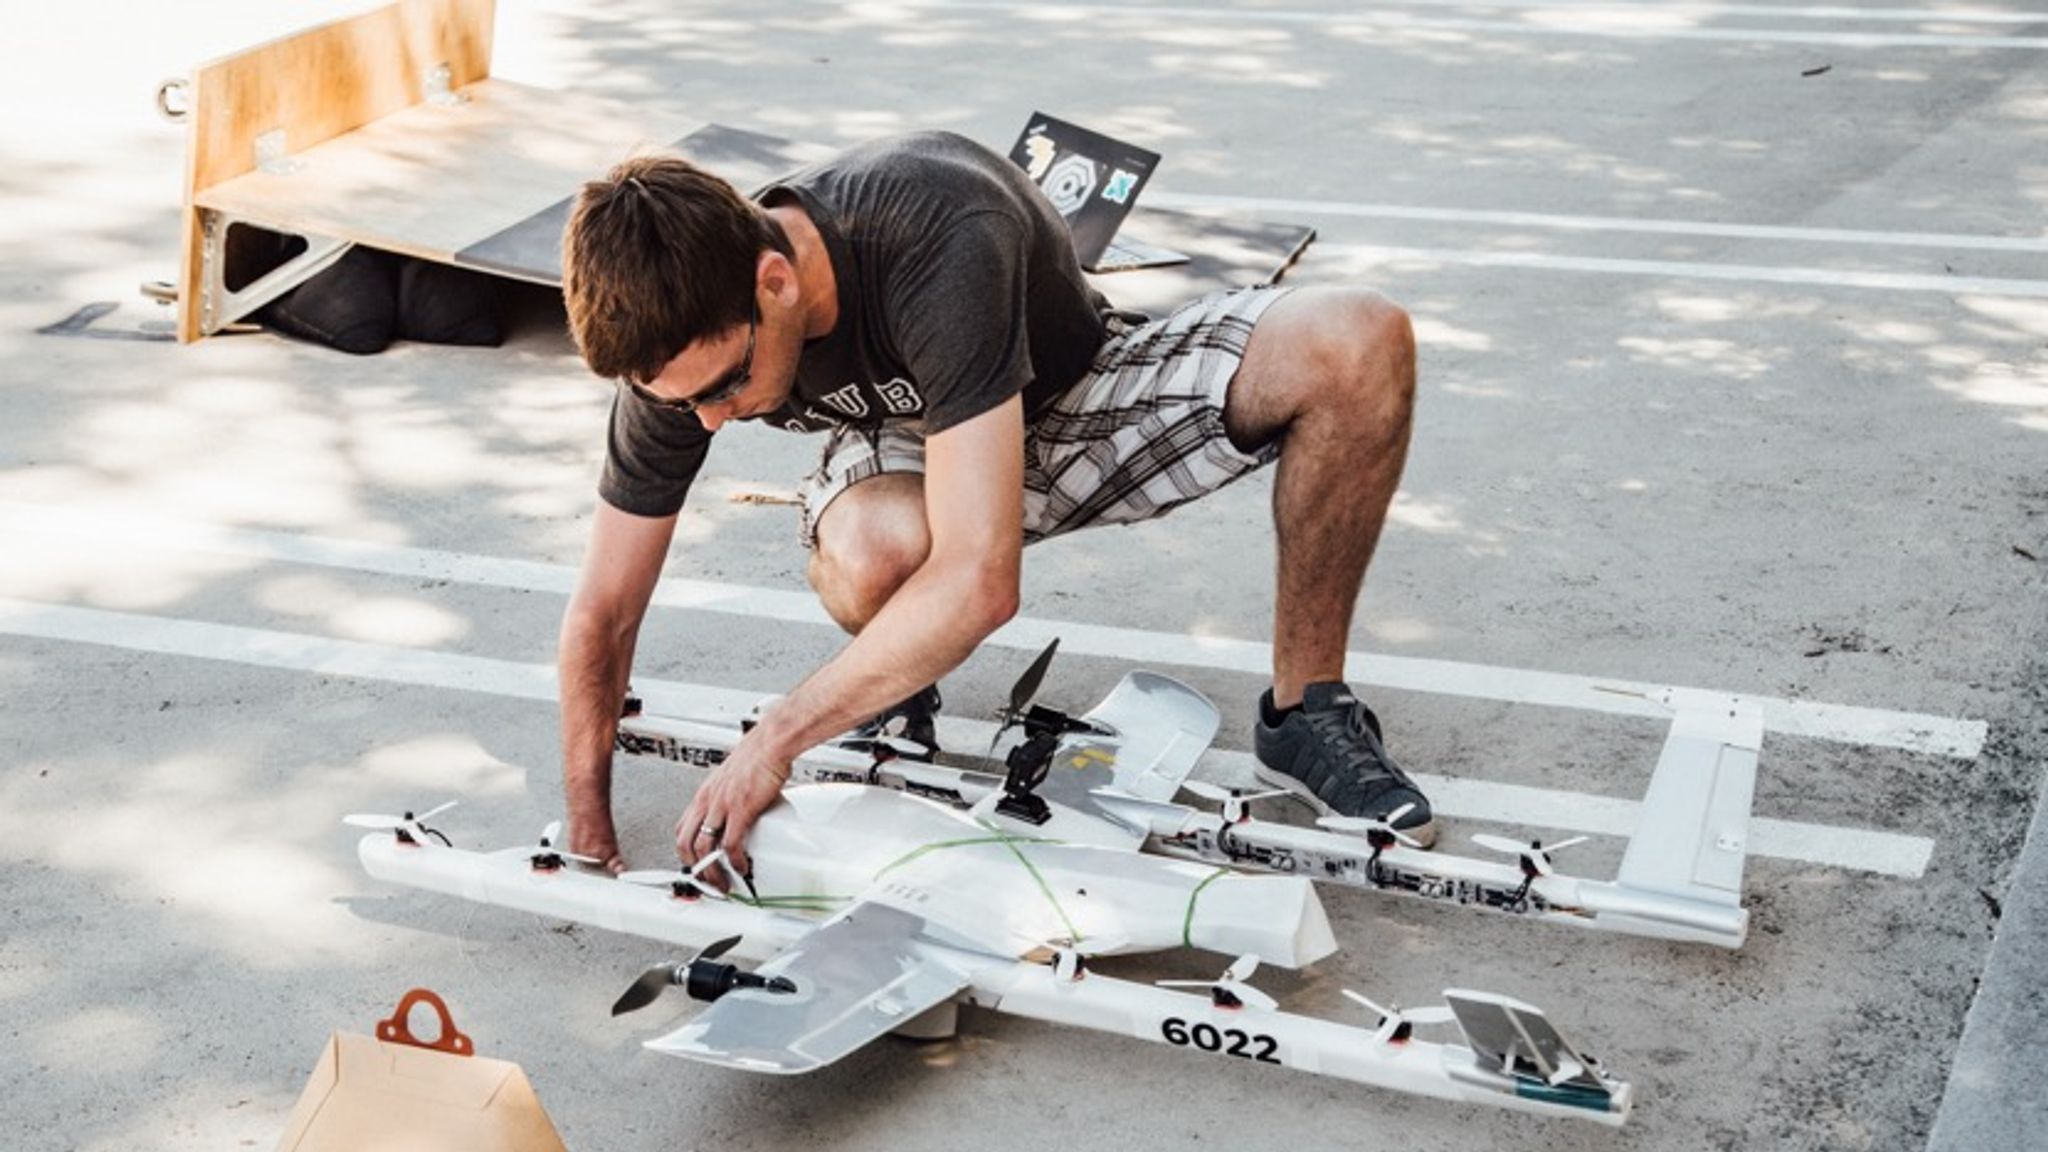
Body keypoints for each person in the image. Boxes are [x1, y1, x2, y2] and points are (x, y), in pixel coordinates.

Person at [555, 130, 1428, 882]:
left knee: (1358, 338)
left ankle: (1306, 710)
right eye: (684, 404)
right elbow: (605, 608)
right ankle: (893, 688)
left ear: (775, 280)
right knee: (870, 549)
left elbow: (981, 583)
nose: (711, 419)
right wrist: (588, 827)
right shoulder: (679, 345)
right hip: (910, 437)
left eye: (730, 384)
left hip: (1073, 395)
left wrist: (774, 739)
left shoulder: (934, 229)